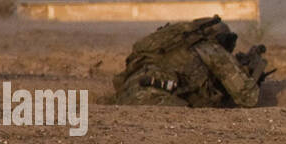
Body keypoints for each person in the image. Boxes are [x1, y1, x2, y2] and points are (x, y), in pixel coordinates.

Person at [111, 15, 270, 108]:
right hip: (154, 99)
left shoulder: (174, 45)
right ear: (220, 39)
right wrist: (252, 72)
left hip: (127, 94)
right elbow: (249, 97)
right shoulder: (209, 48)